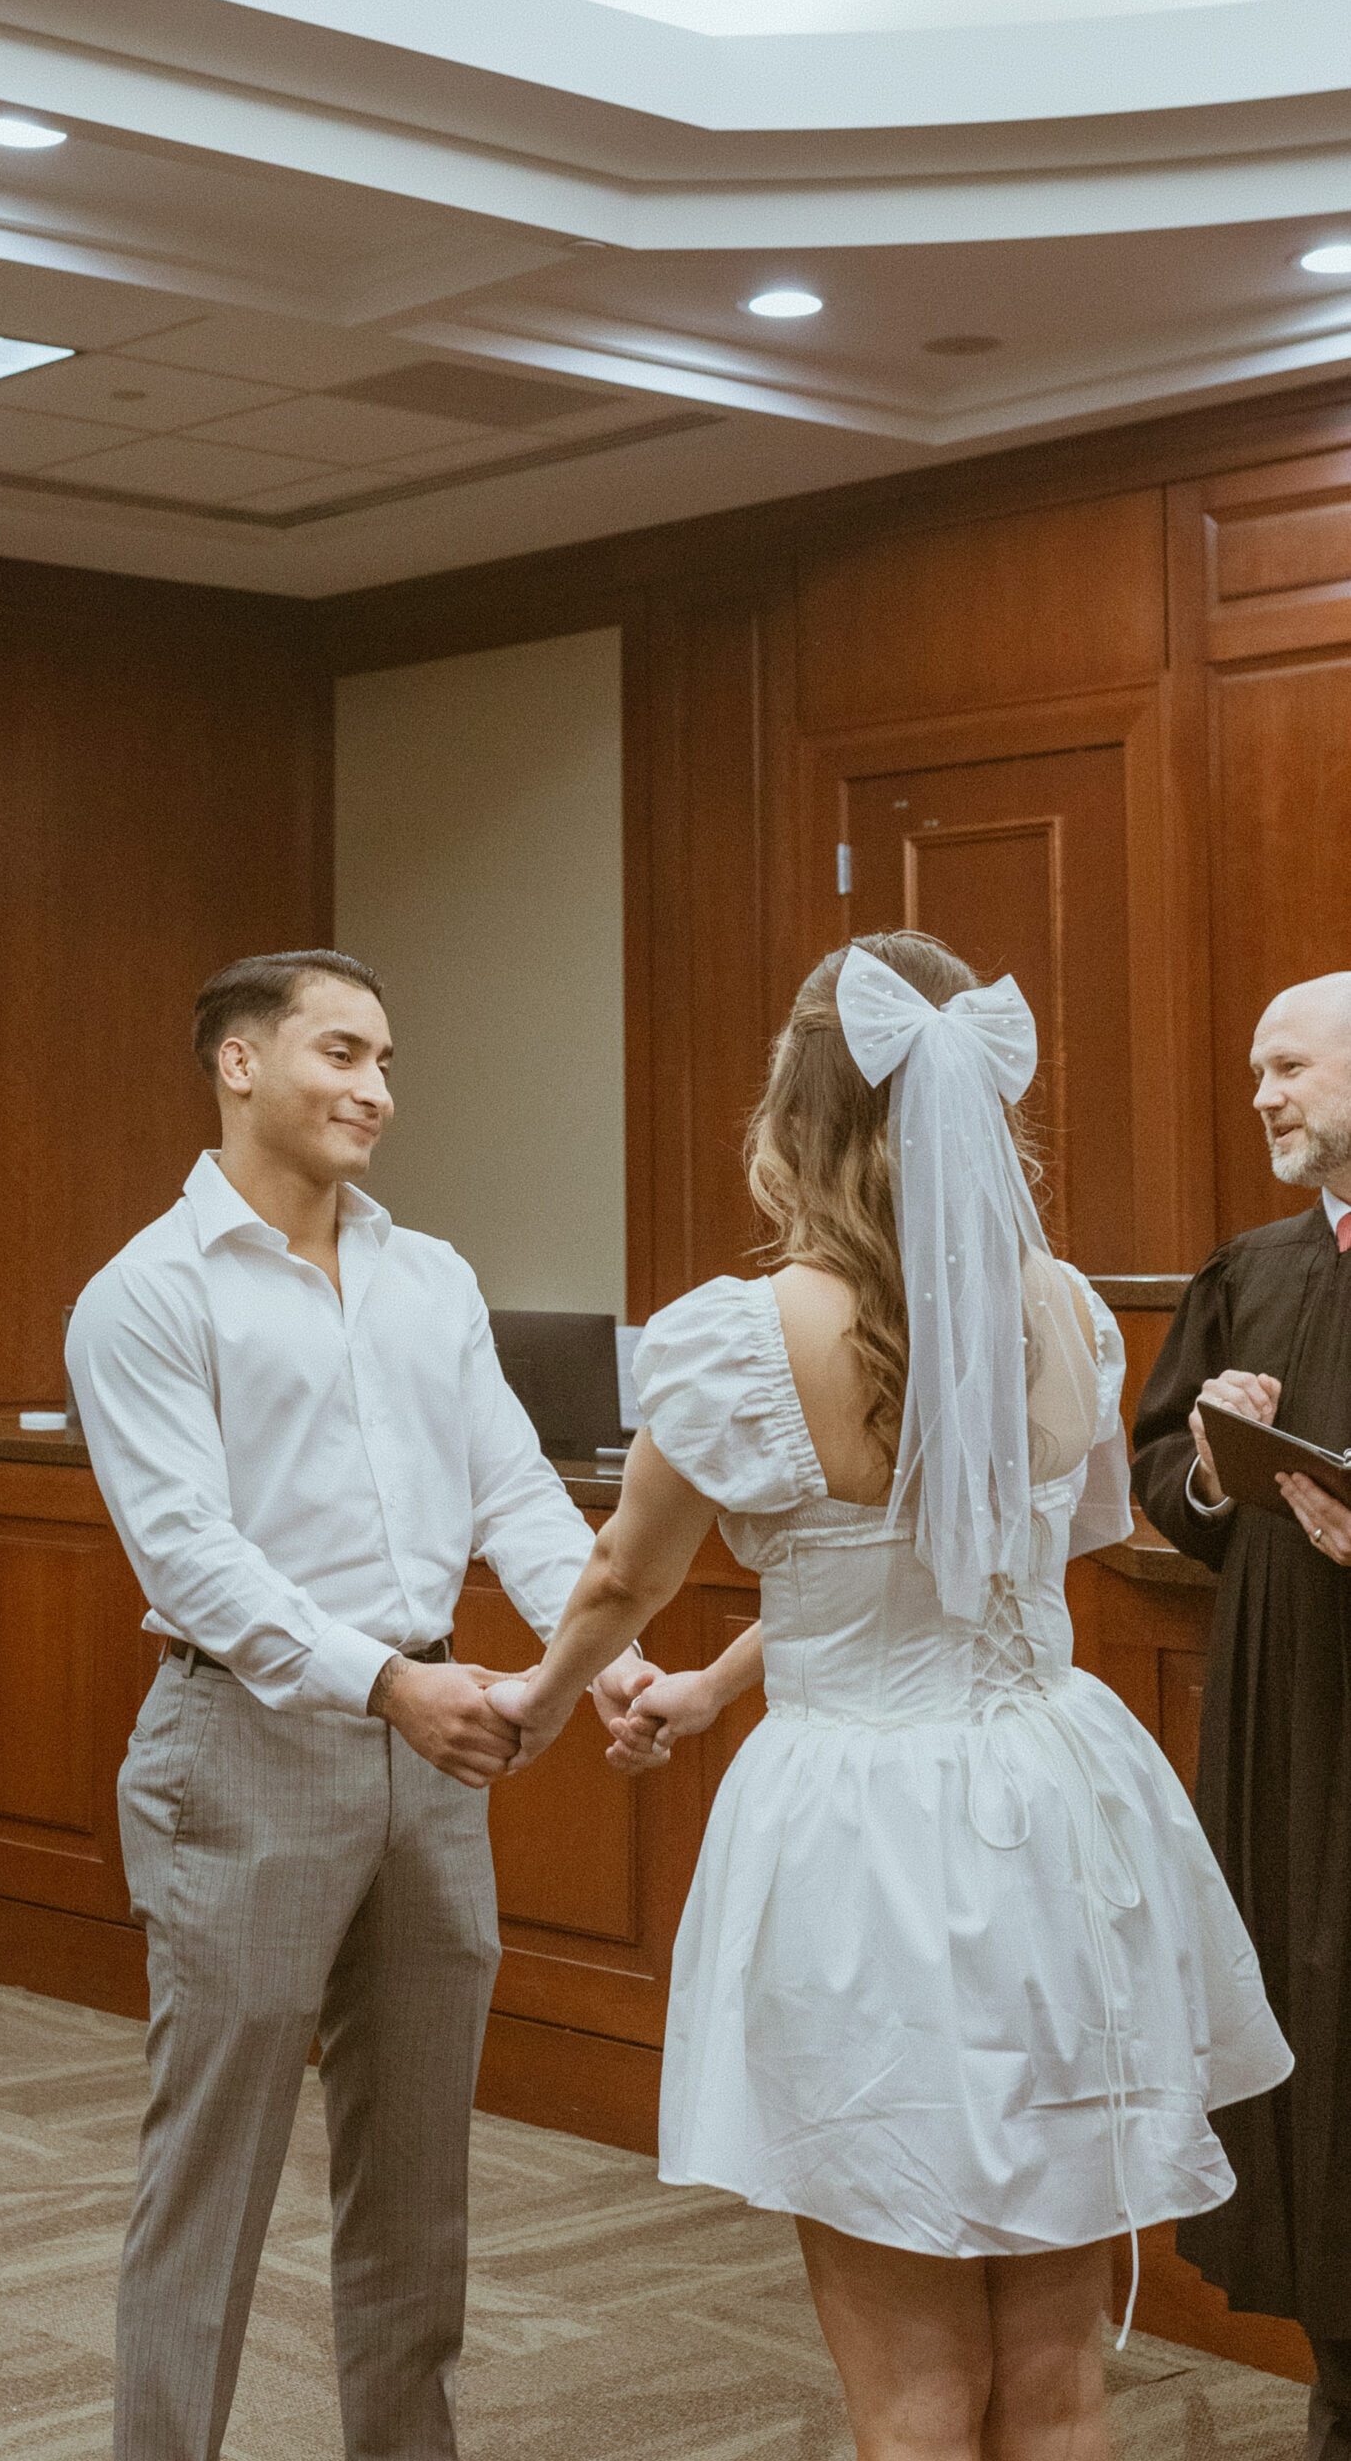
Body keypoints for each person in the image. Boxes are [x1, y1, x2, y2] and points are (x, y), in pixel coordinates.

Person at [488, 931, 1292, 2461]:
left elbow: (620, 1580)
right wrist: (719, 1685)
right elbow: (974, 1563)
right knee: (1058, 2386)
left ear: (795, 1113)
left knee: (914, 2402)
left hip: (867, 1843)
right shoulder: (1065, 1312)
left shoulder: (738, 1338)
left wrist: (539, 1700)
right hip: (1059, 1818)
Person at [66, 948, 649, 2461]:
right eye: (341, 1054)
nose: (376, 1090)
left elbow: (512, 1491)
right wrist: (387, 1684)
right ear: (240, 1063)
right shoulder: (147, 1293)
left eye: (387, 1061)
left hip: (433, 1755)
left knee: (418, 2171)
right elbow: (190, 1558)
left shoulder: (428, 1274)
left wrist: (602, 1646)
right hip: (245, 1748)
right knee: (213, 2172)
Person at [1130, 969, 1351, 2461]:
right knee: (1305, 2021)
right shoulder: (1254, 1267)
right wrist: (1216, 1467)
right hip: (1286, 1708)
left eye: (1288, 1068)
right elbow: (1163, 1470)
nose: (1261, 1096)